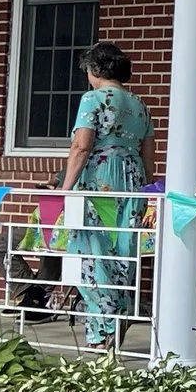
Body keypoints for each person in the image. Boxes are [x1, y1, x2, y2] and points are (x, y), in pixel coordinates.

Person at [58, 42, 152, 349]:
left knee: (89, 250)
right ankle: (109, 326)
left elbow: (81, 146)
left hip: (100, 179)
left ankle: (107, 323)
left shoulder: (93, 99)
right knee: (123, 252)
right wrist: (147, 189)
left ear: (94, 69)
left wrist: (65, 189)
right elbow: (149, 154)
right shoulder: (139, 104)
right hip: (133, 179)